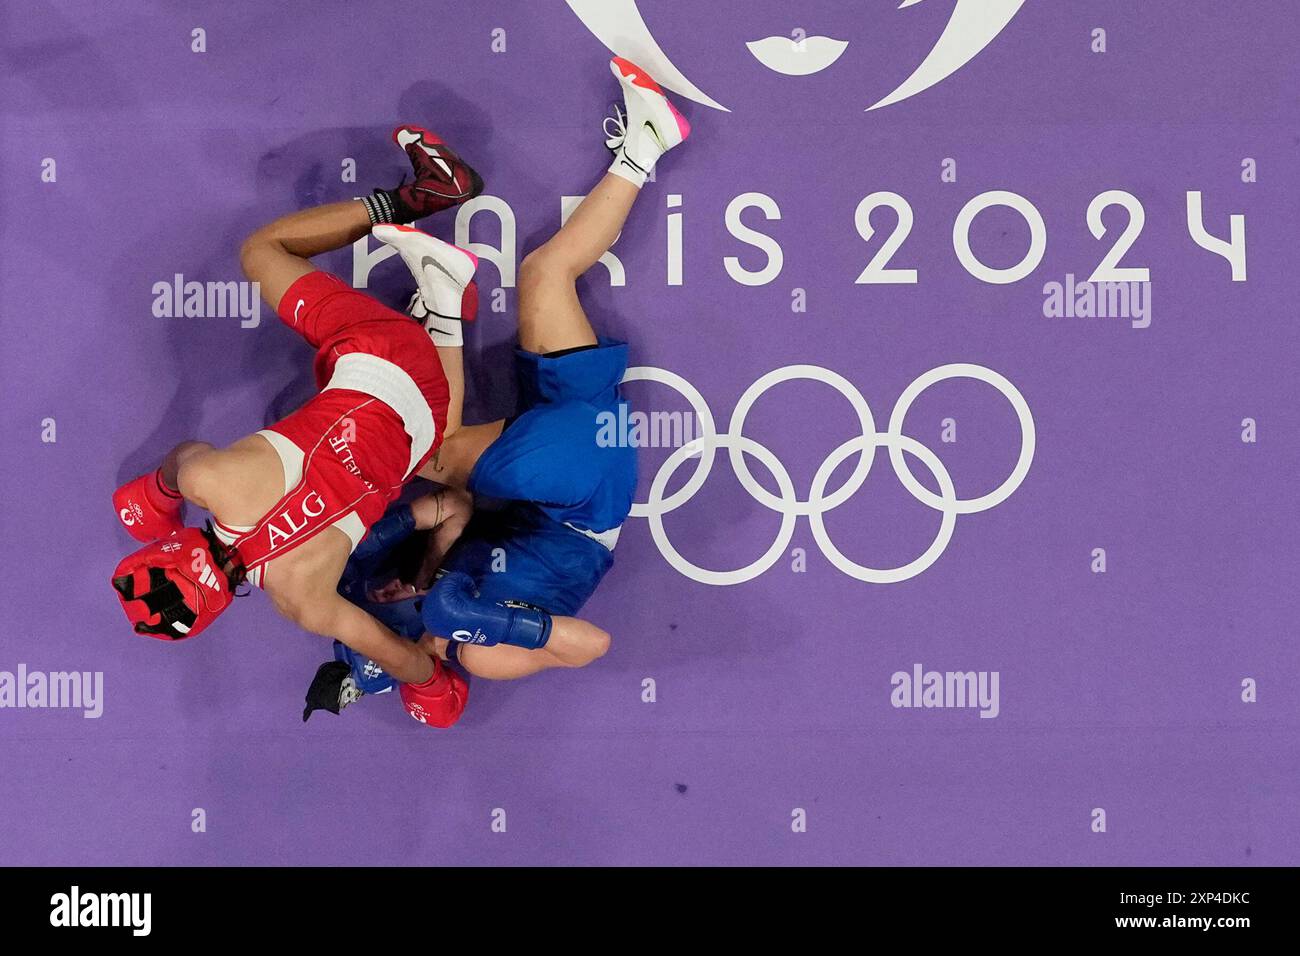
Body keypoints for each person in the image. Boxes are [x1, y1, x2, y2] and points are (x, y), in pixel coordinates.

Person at [303, 57, 691, 720]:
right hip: (576, 498)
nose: (383, 595)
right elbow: (592, 643)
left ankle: (649, 141)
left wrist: (416, 548)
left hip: (571, 457)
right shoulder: (479, 654)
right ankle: (446, 297)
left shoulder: (423, 586)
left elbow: (450, 507)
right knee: (433, 449)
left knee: (546, 274)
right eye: (385, 612)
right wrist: (474, 616)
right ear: (406, 643)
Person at [110, 126, 487, 728]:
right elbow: (178, 462)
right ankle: (421, 199)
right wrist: (157, 495)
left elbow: (406, 663)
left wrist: (432, 688)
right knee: (263, 252)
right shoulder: (208, 479)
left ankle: (444, 303)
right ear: (169, 546)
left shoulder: (302, 602)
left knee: (420, 451)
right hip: (377, 352)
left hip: (432, 413)